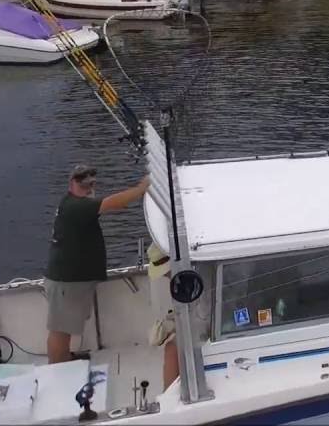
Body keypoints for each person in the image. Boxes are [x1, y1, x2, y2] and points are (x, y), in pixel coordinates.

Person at [45, 165, 150, 364]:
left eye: (91, 184)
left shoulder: (76, 203)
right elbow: (115, 203)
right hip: (65, 282)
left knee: (64, 328)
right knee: (60, 331)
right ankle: (56, 369)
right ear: (71, 183)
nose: (89, 188)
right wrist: (141, 188)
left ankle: (66, 357)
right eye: (83, 184)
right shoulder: (78, 207)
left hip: (71, 281)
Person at [146, 241, 212, 390]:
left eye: (166, 272)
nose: (166, 276)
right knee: (172, 345)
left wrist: (174, 329)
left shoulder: (197, 279)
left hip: (210, 330)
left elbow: (203, 317)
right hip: (202, 323)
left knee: (172, 349)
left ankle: (169, 394)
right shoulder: (187, 277)